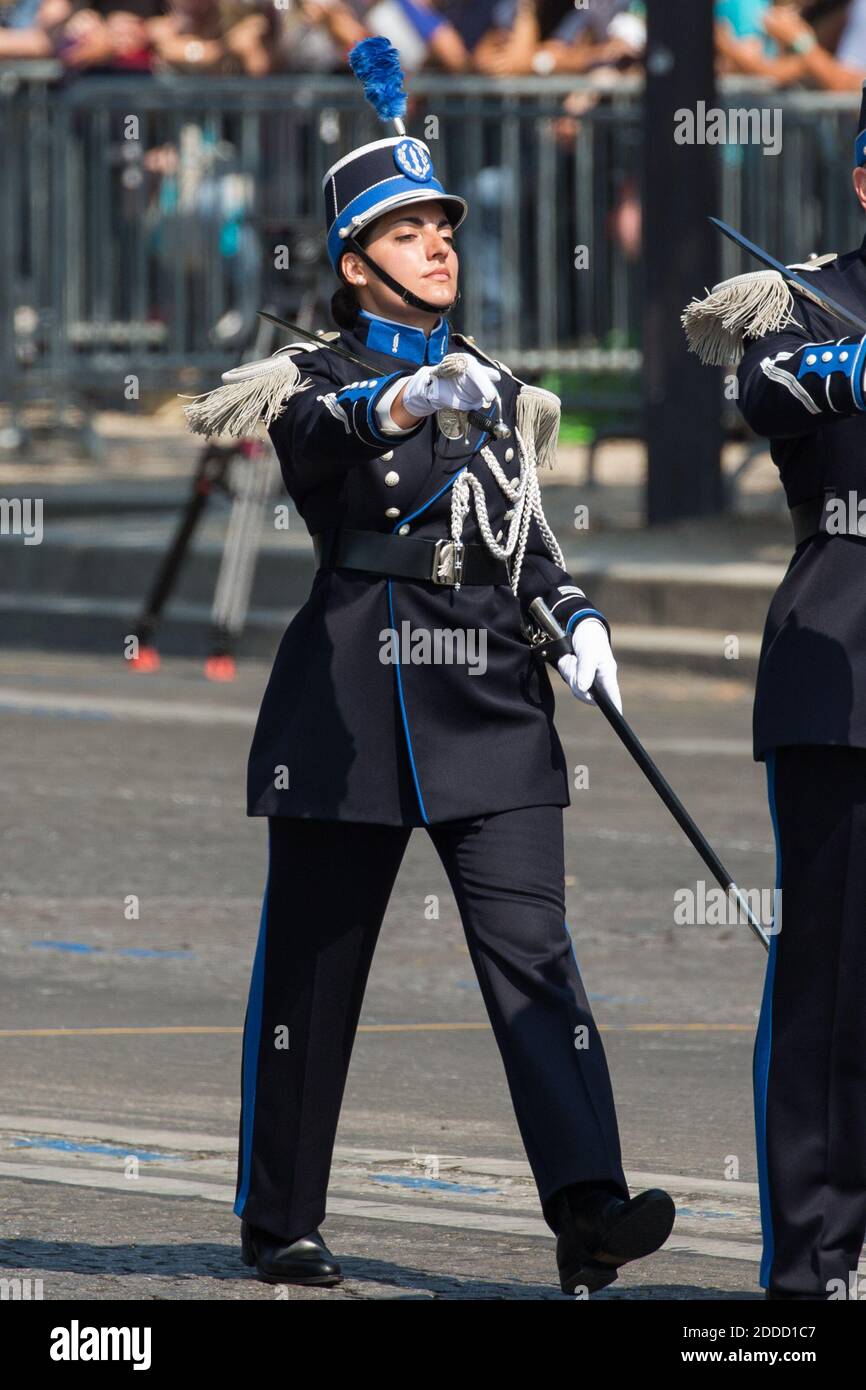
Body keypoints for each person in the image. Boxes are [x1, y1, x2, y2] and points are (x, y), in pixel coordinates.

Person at [184, 36, 675, 1295]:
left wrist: (576, 622)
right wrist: (408, 403)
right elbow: (333, 433)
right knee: (315, 967)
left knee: (535, 955)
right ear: (355, 265)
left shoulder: (500, 388)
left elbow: (525, 539)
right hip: (352, 698)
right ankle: (278, 1216)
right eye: (406, 233)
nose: (437, 246)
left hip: (492, 704)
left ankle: (589, 1209)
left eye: (441, 226)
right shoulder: (308, 377)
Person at [682, 82, 866, 1300]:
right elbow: (764, 391)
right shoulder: (801, 299)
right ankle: (808, 1263)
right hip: (844, 659)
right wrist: (854, 366)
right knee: (833, 977)